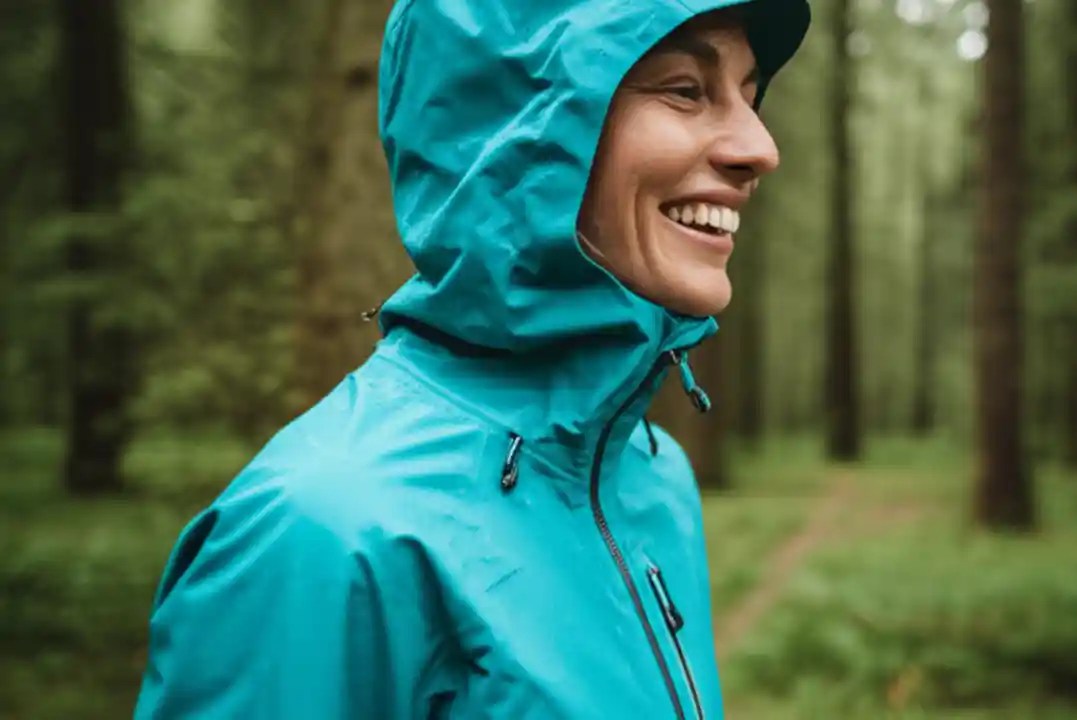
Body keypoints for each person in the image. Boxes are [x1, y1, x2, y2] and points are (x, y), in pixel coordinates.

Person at [133, 0, 808, 717]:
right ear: (515, 133)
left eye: (750, 94)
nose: (758, 146)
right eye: (685, 90)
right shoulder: (323, 535)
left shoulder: (651, 475)